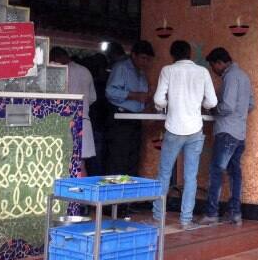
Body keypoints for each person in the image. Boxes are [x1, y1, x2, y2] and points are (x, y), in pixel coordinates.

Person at [151, 40, 217, 229]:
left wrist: (166, 105)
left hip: (173, 128)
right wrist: (200, 105)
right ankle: (186, 220)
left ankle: (158, 217)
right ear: (190, 54)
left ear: (173, 55)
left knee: (164, 174)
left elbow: (158, 99)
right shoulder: (202, 72)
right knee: (190, 177)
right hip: (195, 129)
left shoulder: (168, 70)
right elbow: (212, 102)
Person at [201, 47, 254, 226]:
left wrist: (213, 109)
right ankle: (235, 213)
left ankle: (211, 213)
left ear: (219, 63)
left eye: (213, 66)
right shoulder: (244, 76)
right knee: (234, 173)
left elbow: (227, 106)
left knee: (216, 172)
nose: (213, 71)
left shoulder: (230, 77)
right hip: (240, 132)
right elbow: (251, 104)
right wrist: (239, 115)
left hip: (226, 131)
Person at [105, 39, 154, 176]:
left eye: (148, 60)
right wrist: (134, 95)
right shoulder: (121, 68)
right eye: (143, 58)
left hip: (135, 119)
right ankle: (115, 188)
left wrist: (148, 98)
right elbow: (110, 92)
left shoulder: (142, 73)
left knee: (133, 158)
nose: (145, 62)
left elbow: (142, 98)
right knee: (118, 158)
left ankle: (129, 189)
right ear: (133, 55)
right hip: (120, 119)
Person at [50, 48, 97, 177]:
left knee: (61, 162)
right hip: (83, 120)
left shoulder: (57, 71)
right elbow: (92, 98)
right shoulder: (85, 71)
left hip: (64, 121)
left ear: (56, 58)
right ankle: (82, 190)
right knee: (81, 165)